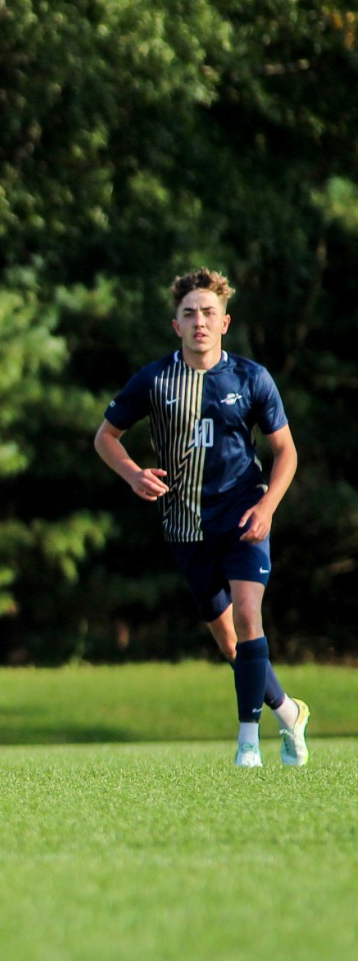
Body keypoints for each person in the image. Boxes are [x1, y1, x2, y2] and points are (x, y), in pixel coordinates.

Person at [93, 268, 309, 767]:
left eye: (208, 313)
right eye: (189, 313)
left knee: (250, 615)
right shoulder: (154, 379)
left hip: (244, 517)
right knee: (232, 643)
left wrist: (267, 506)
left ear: (225, 322)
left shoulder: (252, 378)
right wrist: (131, 475)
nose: (199, 322)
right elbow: (105, 437)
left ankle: (248, 744)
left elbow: (286, 452)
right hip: (186, 526)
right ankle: (290, 712)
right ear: (176, 325)